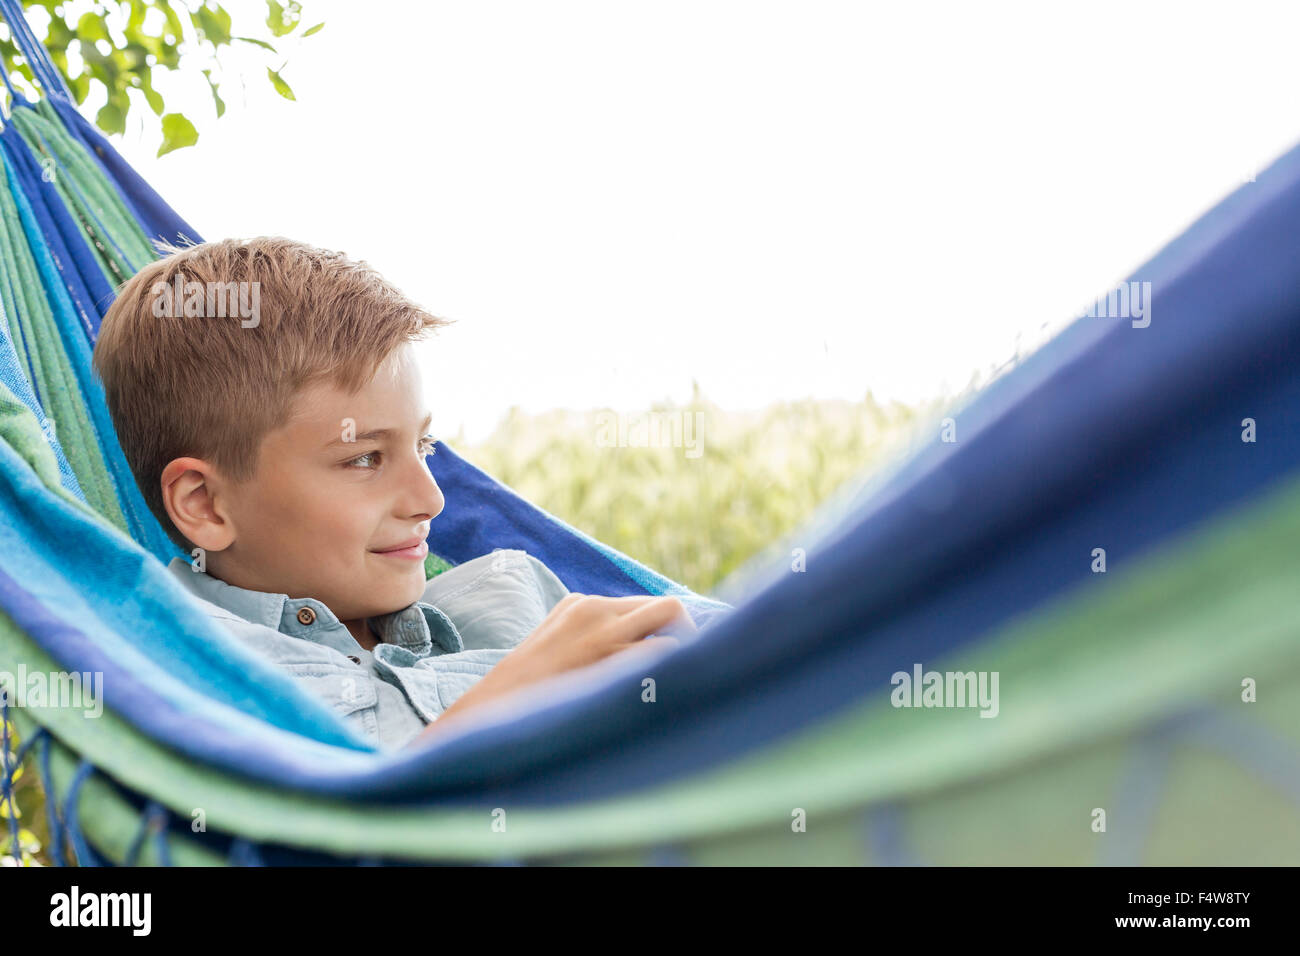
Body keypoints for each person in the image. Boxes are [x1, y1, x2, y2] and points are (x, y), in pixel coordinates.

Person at [91, 236, 690, 749]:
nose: (431, 499)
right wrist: (501, 710)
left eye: (424, 447)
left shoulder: (518, 595)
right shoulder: (175, 666)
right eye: (364, 458)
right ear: (205, 504)